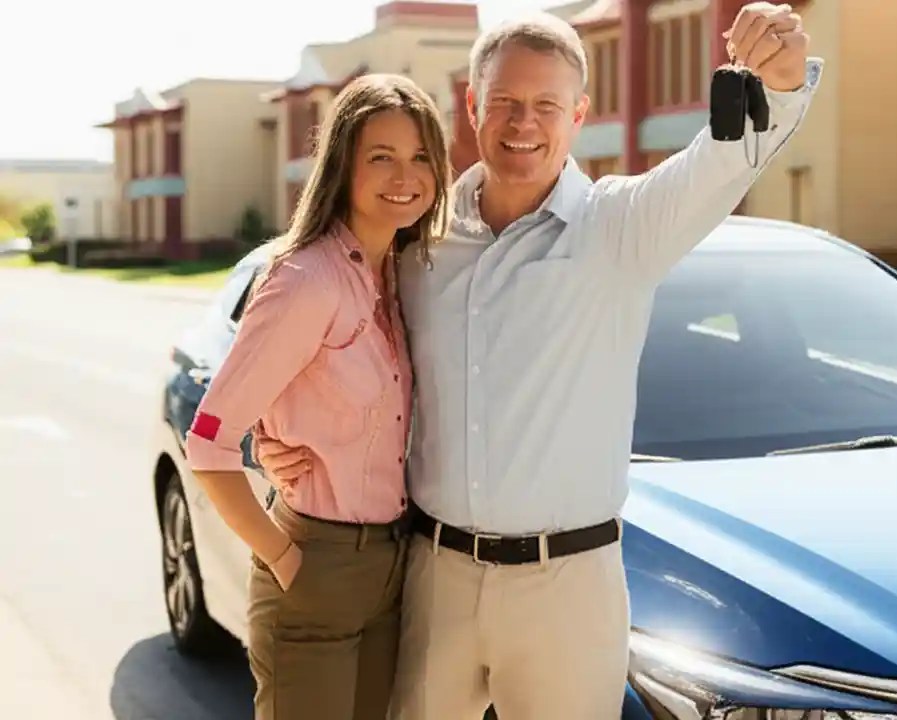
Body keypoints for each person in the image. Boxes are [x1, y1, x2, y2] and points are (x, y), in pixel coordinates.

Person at [258, 3, 821, 718]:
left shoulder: (623, 229)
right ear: (472, 106)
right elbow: (326, 334)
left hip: (569, 588)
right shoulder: (417, 239)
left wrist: (780, 76)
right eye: (506, 103)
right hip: (434, 577)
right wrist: (277, 433)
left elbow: (725, 156)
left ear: (580, 114)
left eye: (547, 105)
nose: (524, 123)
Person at [182, 73, 452, 720]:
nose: (404, 174)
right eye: (381, 156)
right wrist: (285, 559)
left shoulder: (402, 273)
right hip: (317, 564)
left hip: (392, 564)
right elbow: (208, 443)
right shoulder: (307, 280)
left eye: (420, 157)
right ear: (342, 165)